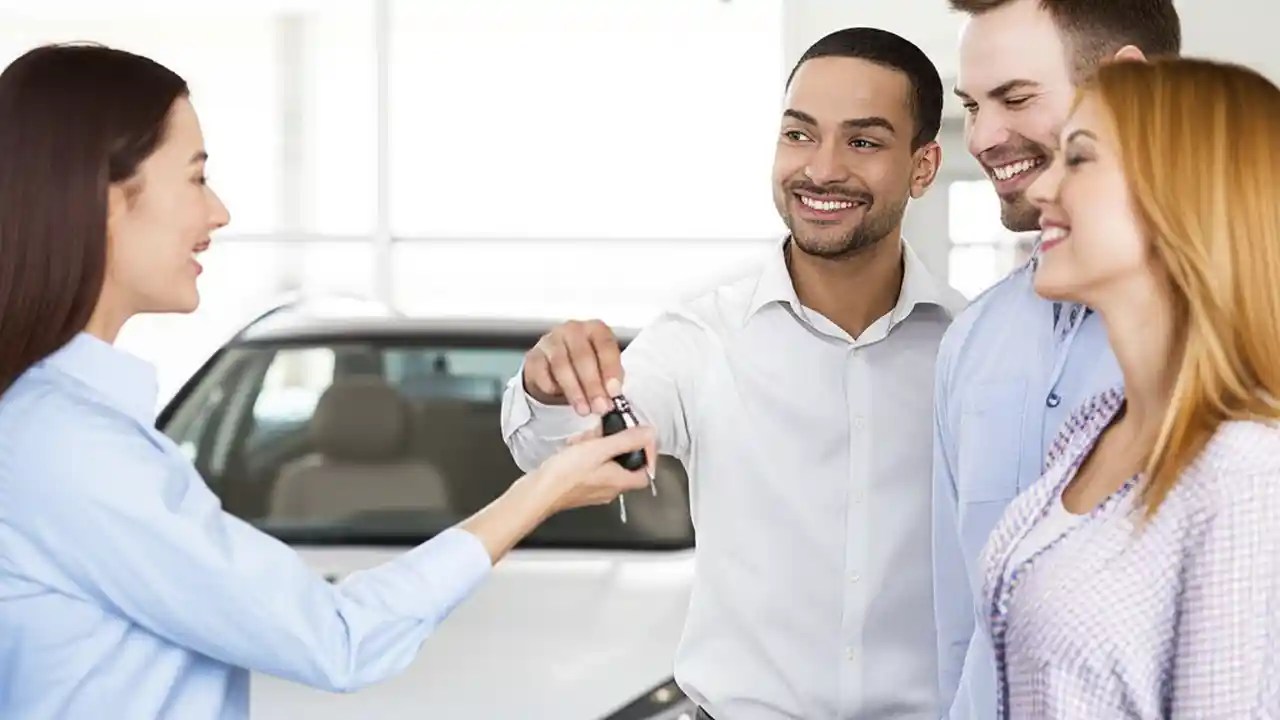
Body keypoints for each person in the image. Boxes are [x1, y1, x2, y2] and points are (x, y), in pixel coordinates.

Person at [0, 43, 655, 720]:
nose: (218, 212)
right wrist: (544, 491)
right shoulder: (71, 450)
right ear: (106, 198)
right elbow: (339, 639)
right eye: (196, 178)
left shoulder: (53, 431)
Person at [502, 27, 965, 720]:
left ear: (922, 168)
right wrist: (548, 386)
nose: (822, 169)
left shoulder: (971, 348)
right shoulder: (703, 337)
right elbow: (562, 451)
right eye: (800, 135)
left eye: (863, 142)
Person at [980, 56, 1280, 717]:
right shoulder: (1093, 428)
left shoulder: (1245, 472)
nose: (1040, 189)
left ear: (1186, 193)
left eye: (1079, 159)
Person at [929, 1, 1182, 716]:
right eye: (973, 106)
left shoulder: (1248, 330)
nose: (981, 137)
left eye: (1014, 98)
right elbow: (961, 632)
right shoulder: (972, 343)